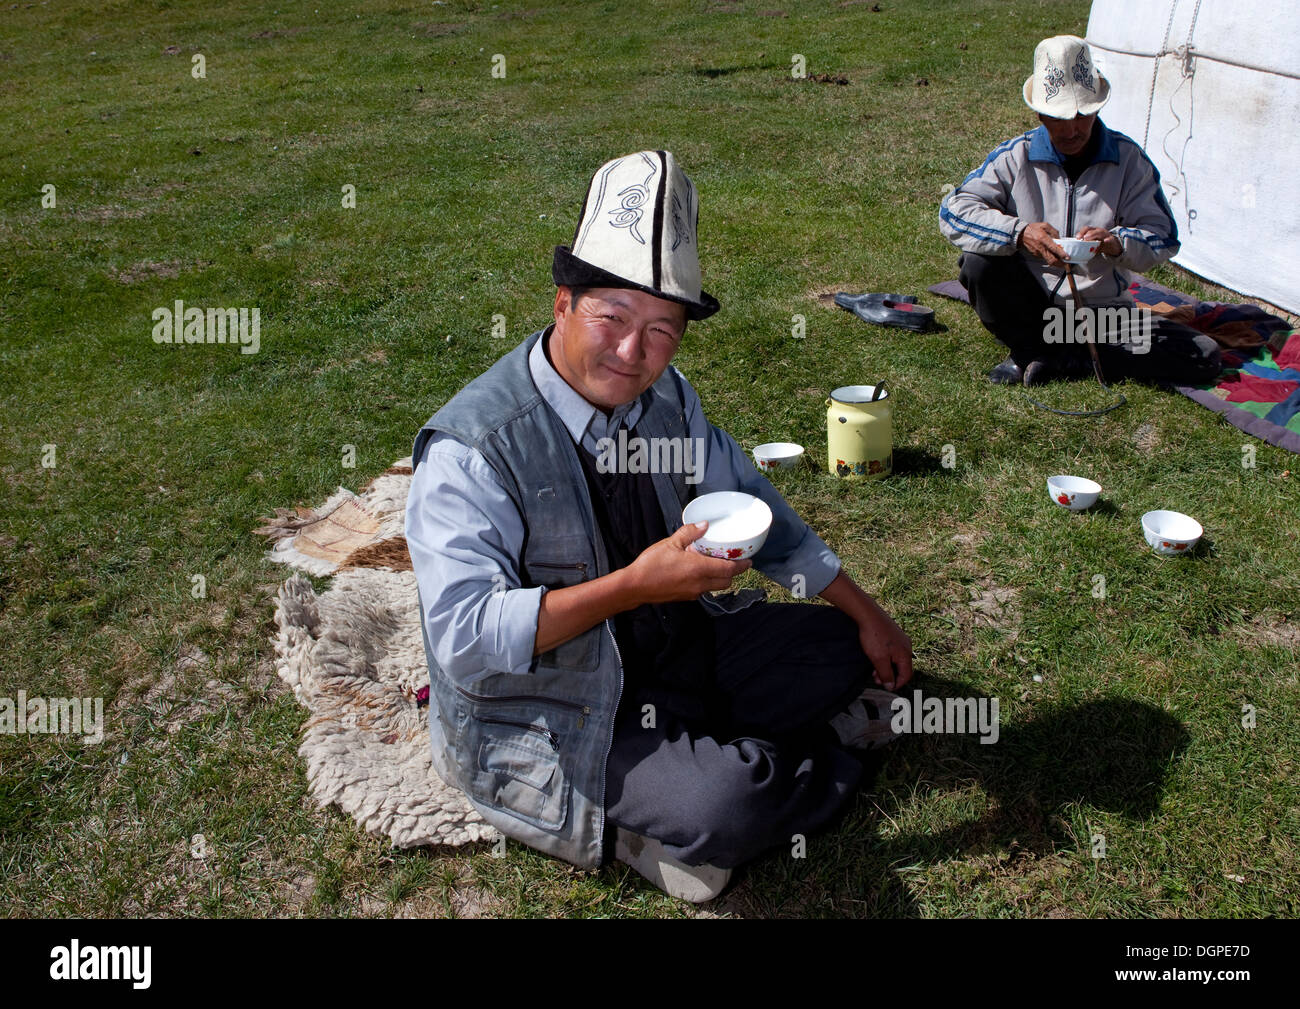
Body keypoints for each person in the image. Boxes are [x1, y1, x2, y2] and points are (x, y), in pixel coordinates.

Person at [405, 150, 913, 902]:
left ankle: (705, 775)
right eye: (611, 317)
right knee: (726, 803)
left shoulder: (666, 399)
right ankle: (700, 796)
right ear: (562, 304)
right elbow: (468, 640)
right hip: (556, 706)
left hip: (679, 647)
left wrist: (868, 613)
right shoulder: (475, 449)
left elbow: (754, 508)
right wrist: (635, 587)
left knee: (842, 647)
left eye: (661, 330)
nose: (631, 353)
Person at [939, 35, 1221, 387]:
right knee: (978, 262)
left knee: (1202, 354)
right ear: (1040, 114)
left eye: (1082, 114)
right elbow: (954, 211)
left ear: (1097, 108)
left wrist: (1117, 243)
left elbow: (1163, 235)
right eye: (1058, 118)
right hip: (1033, 311)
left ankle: (1052, 356)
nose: (1072, 129)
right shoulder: (1015, 157)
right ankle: (1039, 347)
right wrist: (1019, 233)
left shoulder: (1128, 160)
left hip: (1104, 317)